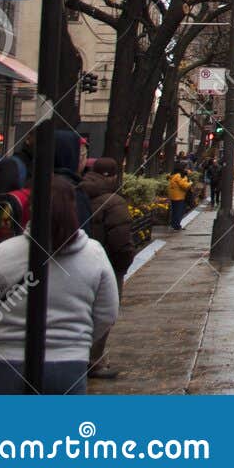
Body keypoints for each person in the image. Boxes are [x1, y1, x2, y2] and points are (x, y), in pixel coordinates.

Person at [0, 176, 120, 395]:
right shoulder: (93, 254)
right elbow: (107, 313)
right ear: (73, 208)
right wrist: (77, 341)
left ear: (31, 209)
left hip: (6, 363)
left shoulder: (5, 253)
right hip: (68, 365)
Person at [79, 158, 136, 380]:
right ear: (113, 176)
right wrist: (122, 265)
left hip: (77, 264)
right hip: (107, 266)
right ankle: (93, 360)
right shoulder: (113, 202)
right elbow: (121, 240)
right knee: (104, 311)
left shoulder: (78, 192)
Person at [166, 162, 193, 230]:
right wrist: (190, 183)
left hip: (174, 196)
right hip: (179, 196)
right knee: (179, 211)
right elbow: (184, 185)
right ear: (182, 168)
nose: (186, 169)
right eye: (185, 168)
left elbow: (189, 173)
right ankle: (176, 225)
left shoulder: (173, 174)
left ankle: (174, 224)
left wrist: (187, 173)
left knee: (175, 211)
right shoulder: (178, 176)